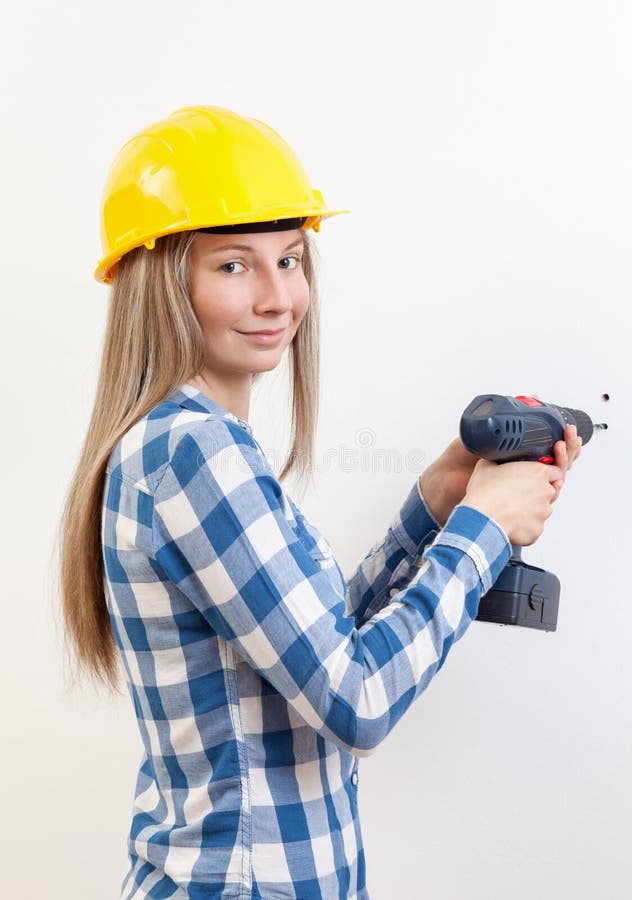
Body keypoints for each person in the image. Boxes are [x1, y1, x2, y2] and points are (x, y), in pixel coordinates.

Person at [59, 105, 582, 899]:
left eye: (291, 259)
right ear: (161, 284)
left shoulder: (189, 446)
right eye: (234, 265)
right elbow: (356, 701)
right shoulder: (190, 452)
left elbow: (307, 656)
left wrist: (435, 508)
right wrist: (482, 533)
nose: (278, 297)